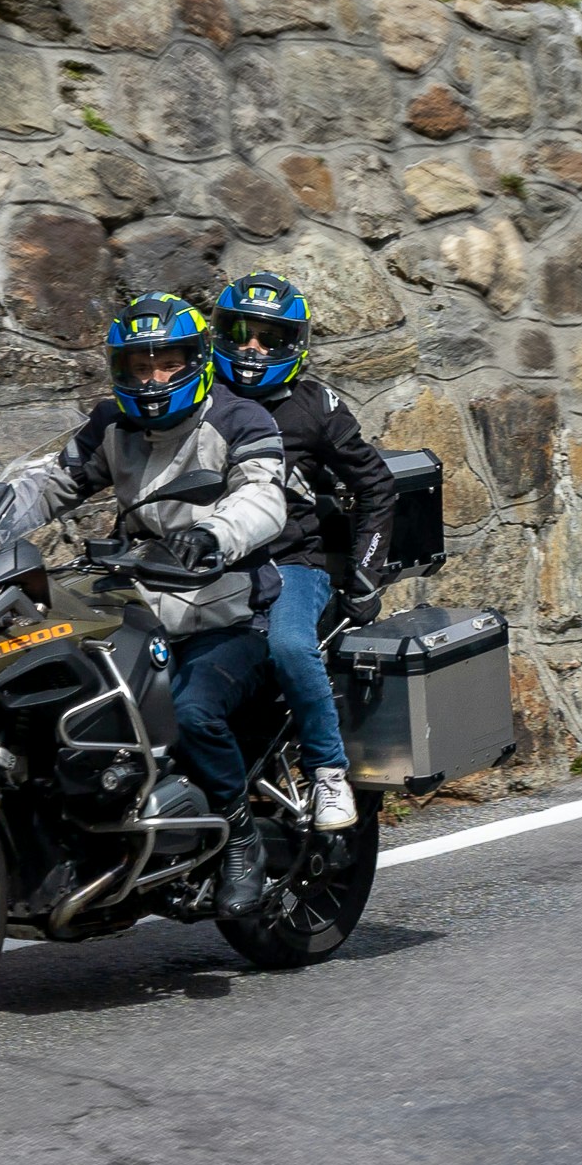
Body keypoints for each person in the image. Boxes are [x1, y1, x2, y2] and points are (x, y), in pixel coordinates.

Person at [0, 292, 293, 917]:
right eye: (138, 366)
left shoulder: (241, 420)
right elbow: (53, 482)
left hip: (227, 611)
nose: (152, 378)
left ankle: (239, 836)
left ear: (196, 359)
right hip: (138, 602)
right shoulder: (114, 425)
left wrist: (213, 532)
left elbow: (263, 497)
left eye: (166, 362)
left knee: (191, 710)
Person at [210, 271, 397, 835]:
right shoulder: (194, 399)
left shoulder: (315, 406)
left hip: (291, 564)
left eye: (270, 338)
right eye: (241, 332)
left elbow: (377, 485)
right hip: (208, 567)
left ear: (295, 345)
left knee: (291, 646)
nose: (252, 348)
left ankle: (328, 773)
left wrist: (366, 578)